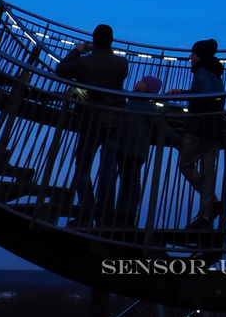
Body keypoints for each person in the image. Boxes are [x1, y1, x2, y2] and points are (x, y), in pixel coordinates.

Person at [55, 24, 128, 224]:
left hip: (91, 119)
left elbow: (60, 70)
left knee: (83, 167)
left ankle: (87, 211)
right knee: (108, 169)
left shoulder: (85, 63)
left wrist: (77, 51)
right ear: (112, 40)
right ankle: (104, 215)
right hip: (115, 119)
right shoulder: (122, 63)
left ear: (94, 40)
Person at [170, 39, 226, 229]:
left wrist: (183, 94)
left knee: (185, 165)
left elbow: (202, 96)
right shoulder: (217, 75)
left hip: (200, 126)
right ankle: (206, 216)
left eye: (193, 53)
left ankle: (213, 203)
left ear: (199, 56)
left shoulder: (202, 73)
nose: (190, 57)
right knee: (209, 172)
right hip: (216, 128)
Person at [96, 75, 163, 227]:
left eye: (142, 81)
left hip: (133, 149)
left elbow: (159, 126)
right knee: (128, 182)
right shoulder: (134, 101)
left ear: (147, 87)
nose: (138, 81)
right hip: (129, 148)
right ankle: (124, 214)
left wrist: (178, 139)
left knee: (130, 182)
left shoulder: (145, 105)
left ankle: (127, 215)